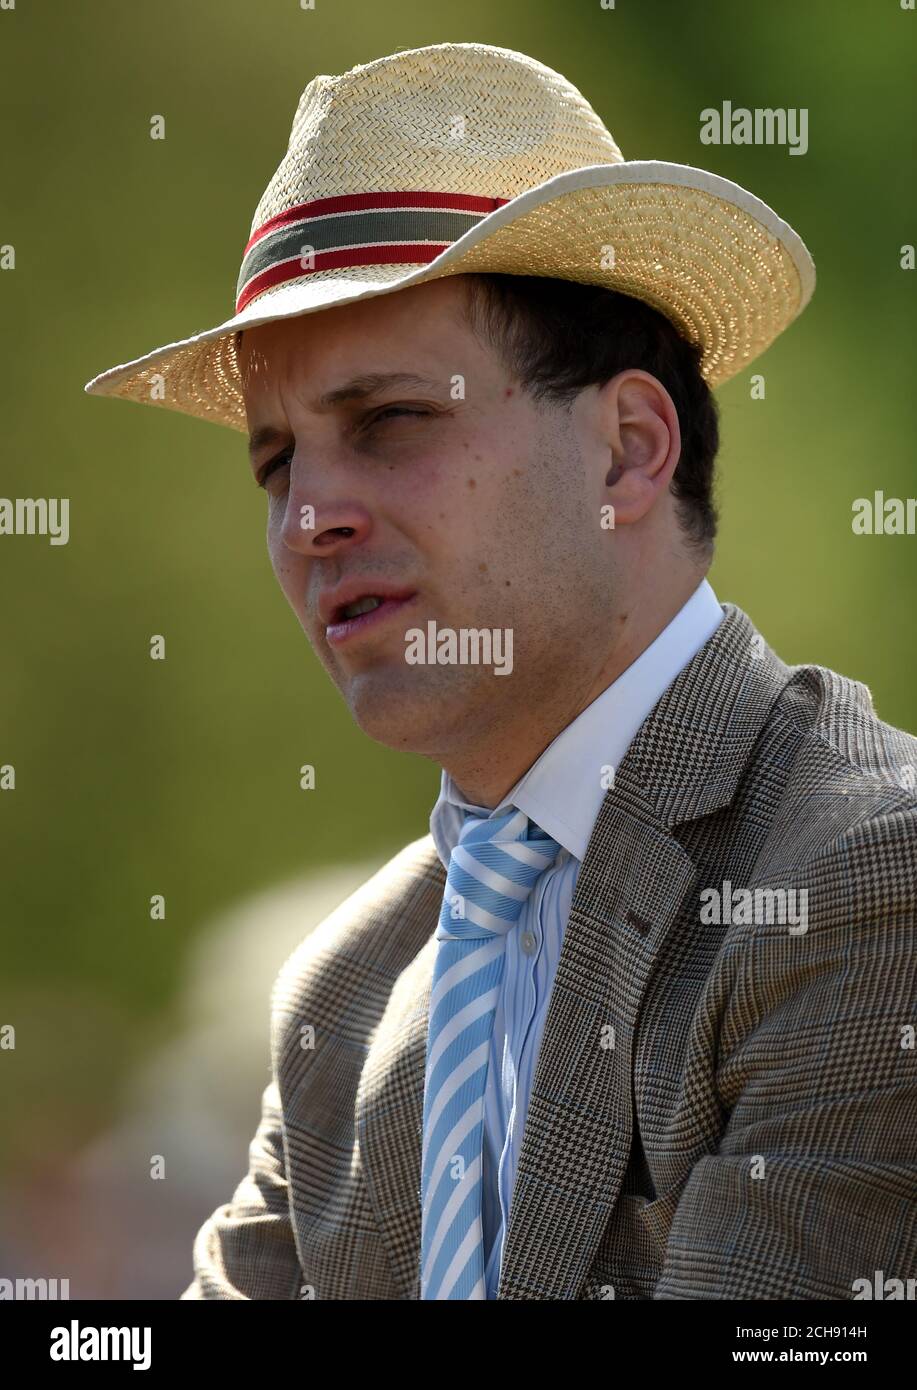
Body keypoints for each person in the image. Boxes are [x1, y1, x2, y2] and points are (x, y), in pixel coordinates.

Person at [84, 42, 917, 1300]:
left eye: (391, 421)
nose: (310, 515)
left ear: (629, 451)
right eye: (275, 464)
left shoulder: (860, 873)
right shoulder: (351, 982)